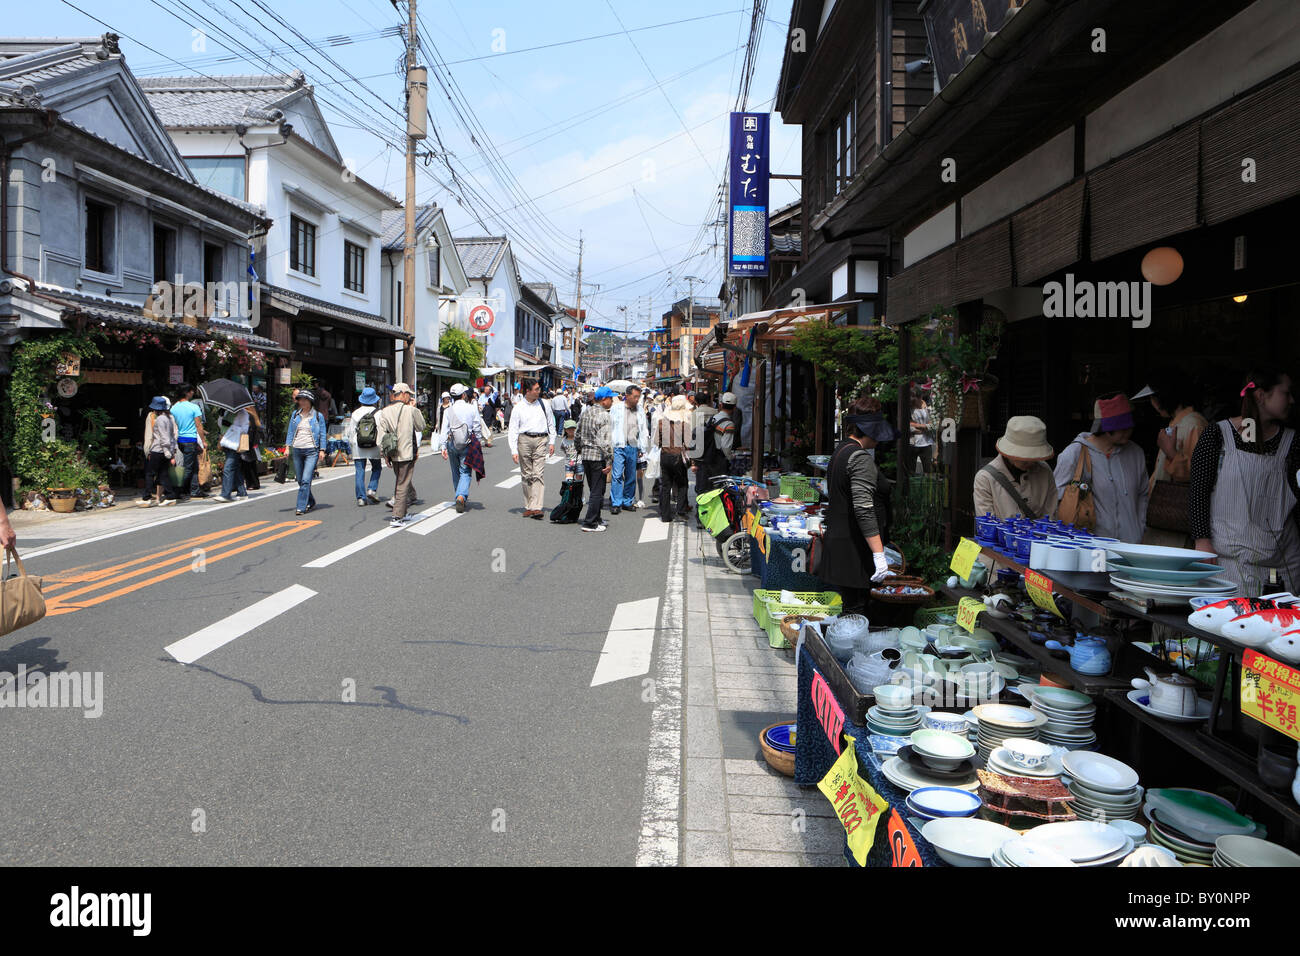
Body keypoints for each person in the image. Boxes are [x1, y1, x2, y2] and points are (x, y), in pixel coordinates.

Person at [1191, 368, 1300, 595]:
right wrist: (1201, 540)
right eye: (1286, 393)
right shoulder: (1217, 435)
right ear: (1261, 395)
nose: (1292, 400)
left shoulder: (1293, 442)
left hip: (1282, 565)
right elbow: (1198, 492)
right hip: (1227, 563)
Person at [813, 396, 900, 616]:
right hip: (854, 551)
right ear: (868, 430)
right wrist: (879, 554)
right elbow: (864, 509)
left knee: (850, 611)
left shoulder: (842, 451)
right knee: (855, 614)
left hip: (842, 545)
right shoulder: (859, 458)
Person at [1054, 393, 1149, 541]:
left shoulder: (1135, 453)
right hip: (1090, 547)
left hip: (1131, 546)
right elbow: (1057, 498)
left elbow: (1143, 494)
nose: (1128, 431)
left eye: (1129, 427)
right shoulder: (1074, 453)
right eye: (1122, 428)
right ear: (1105, 428)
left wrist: (1140, 528)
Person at [973, 416, 1057, 520]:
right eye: (1025, 457)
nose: (1030, 461)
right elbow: (987, 525)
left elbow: (1050, 516)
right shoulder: (985, 478)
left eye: (1035, 457)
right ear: (1009, 452)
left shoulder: (1045, 470)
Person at [375, 383, 426, 528]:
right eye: (408, 394)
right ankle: (397, 516)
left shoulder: (384, 411)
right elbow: (421, 426)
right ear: (403, 393)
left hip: (392, 451)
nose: (410, 396)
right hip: (406, 451)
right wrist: (415, 408)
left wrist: (384, 454)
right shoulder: (410, 410)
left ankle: (403, 513)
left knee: (401, 481)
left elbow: (381, 435)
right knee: (402, 484)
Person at [508, 378, 556, 519]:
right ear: (527, 391)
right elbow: (513, 430)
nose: (538, 391)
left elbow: (550, 423)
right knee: (527, 474)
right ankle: (529, 506)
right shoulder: (518, 408)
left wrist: (552, 442)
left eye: (538, 389)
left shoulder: (544, 404)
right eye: (536, 389)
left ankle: (537, 507)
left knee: (538, 474)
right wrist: (513, 450)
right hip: (524, 440)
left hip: (541, 439)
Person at [438, 383, 486, 513]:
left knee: (455, 472)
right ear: (463, 395)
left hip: (452, 442)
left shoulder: (448, 410)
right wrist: (479, 441)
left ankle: (458, 495)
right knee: (465, 471)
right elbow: (477, 426)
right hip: (467, 442)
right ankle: (461, 496)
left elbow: (444, 429)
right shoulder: (471, 408)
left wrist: (442, 446)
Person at [577, 386, 615, 531]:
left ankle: (597, 519)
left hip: (586, 455)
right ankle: (590, 522)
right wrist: (609, 459)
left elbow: (578, 433)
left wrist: (579, 449)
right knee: (597, 491)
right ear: (604, 400)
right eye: (611, 398)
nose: (612, 401)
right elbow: (605, 441)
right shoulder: (605, 415)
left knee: (594, 488)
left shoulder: (586, 412)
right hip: (598, 456)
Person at [693, 393, 737, 517]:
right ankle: (715, 517)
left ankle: (701, 516)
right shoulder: (729, 424)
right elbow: (726, 446)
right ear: (734, 407)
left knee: (704, 487)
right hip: (718, 459)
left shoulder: (714, 418)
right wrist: (731, 457)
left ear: (721, 404)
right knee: (718, 489)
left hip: (706, 457)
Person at [609, 386, 647, 514]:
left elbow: (643, 430)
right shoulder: (616, 408)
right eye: (635, 396)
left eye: (638, 397)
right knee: (617, 475)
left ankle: (627, 501)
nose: (637, 399)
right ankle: (616, 502)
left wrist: (642, 447)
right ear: (627, 395)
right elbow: (610, 427)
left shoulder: (640, 410)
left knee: (631, 476)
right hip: (618, 445)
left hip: (633, 446)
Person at [287, 389, 326, 515]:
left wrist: (322, 450)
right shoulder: (295, 415)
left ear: (310, 401)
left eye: (304, 400)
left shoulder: (317, 416)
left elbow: (322, 434)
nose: (302, 402)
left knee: (305, 479)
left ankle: (301, 507)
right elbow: (290, 432)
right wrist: (287, 447)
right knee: (300, 479)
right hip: (297, 449)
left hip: (311, 450)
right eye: (300, 400)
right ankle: (311, 500)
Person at [655, 394, 693, 523]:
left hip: (665, 456)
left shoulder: (662, 422)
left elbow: (656, 441)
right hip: (678, 457)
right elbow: (688, 443)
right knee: (682, 484)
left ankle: (665, 515)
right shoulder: (684, 423)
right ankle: (681, 512)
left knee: (666, 486)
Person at [139, 396, 179, 507]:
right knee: (163, 474)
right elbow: (172, 436)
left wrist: (166, 450)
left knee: (150, 473)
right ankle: (170, 496)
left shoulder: (160, 419)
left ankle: (147, 497)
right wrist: (171, 451)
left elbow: (164, 437)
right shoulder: (169, 418)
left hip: (158, 449)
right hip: (165, 450)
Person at [347, 386, 384, 506]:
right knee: (377, 468)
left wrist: (351, 446)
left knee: (360, 471)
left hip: (359, 446)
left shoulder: (355, 413)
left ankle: (361, 498)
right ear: (375, 400)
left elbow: (351, 432)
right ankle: (372, 489)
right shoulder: (379, 413)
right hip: (374, 445)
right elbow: (382, 430)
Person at [170, 383, 207, 499]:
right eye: (191, 391)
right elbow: (198, 425)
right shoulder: (193, 407)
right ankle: (175, 491)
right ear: (187, 393)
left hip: (180, 439)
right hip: (190, 439)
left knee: (194, 466)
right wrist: (203, 440)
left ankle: (195, 490)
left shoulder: (174, 408)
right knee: (188, 468)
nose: (192, 393)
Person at [213, 405, 251, 502]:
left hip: (235, 443)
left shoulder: (242, 413)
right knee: (235, 468)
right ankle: (242, 492)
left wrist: (233, 428)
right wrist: (221, 417)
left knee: (228, 468)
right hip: (227, 441)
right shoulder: (226, 412)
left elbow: (245, 428)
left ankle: (225, 494)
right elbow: (220, 425)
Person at [909, 391, 936, 473]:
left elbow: (933, 424)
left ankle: (927, 485)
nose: (912, 401)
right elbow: (907, 425)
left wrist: (915, 425)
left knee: (928, 470)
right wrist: (923, 427)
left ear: (920, 397)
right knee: (911, 470)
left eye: (914, 399)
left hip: (927, 442)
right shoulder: (909, 408)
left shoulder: (929, 407)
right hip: (912, 442)